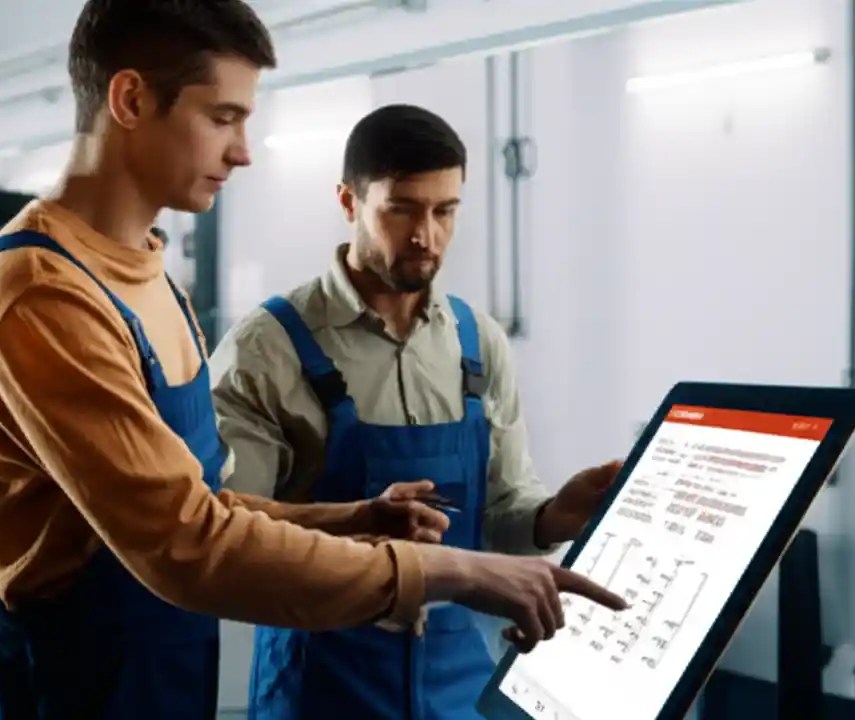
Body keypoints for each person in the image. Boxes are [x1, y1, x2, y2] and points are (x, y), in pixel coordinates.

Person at [0, 1, 626, 717]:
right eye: (223, 117)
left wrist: (354, 518)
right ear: (131, 98)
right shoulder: (41, 296)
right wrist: (446, 569)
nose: (243, 150)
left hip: (162, 677)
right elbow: (187, 542)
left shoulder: (153, 280)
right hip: (67, 689)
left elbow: (198, 502)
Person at [209, 103, 626, 719]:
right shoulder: (265, 349)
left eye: (444, 211)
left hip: (459, 684)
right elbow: (228, 535)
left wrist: (556, 515)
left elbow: (502, 511)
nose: (425, 235)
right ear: (349, 202)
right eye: (400, 208)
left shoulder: (475, 341)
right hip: (322, 684)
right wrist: (355, 525)